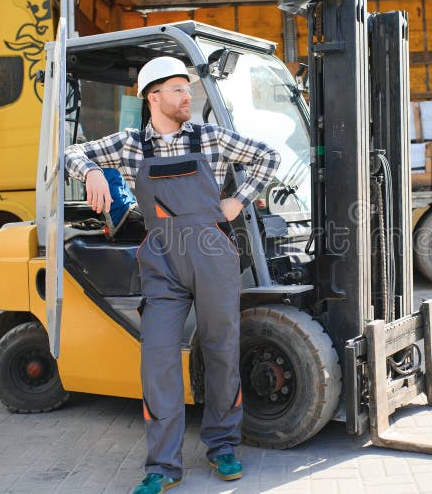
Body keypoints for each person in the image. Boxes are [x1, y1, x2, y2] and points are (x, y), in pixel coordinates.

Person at [63, 56, 280, 493]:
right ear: (153, 97)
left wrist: (238, 200)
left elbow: (268, 157)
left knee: (220, 350)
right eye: (179, 89)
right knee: (157, 357)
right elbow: (71, 152)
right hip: (162, 260)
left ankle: (222, 446)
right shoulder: (129, 145)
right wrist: (91, 172)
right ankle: (162, 465)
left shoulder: (211, 138)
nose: (188, 96)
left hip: (212, 254)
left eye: (188, 89)